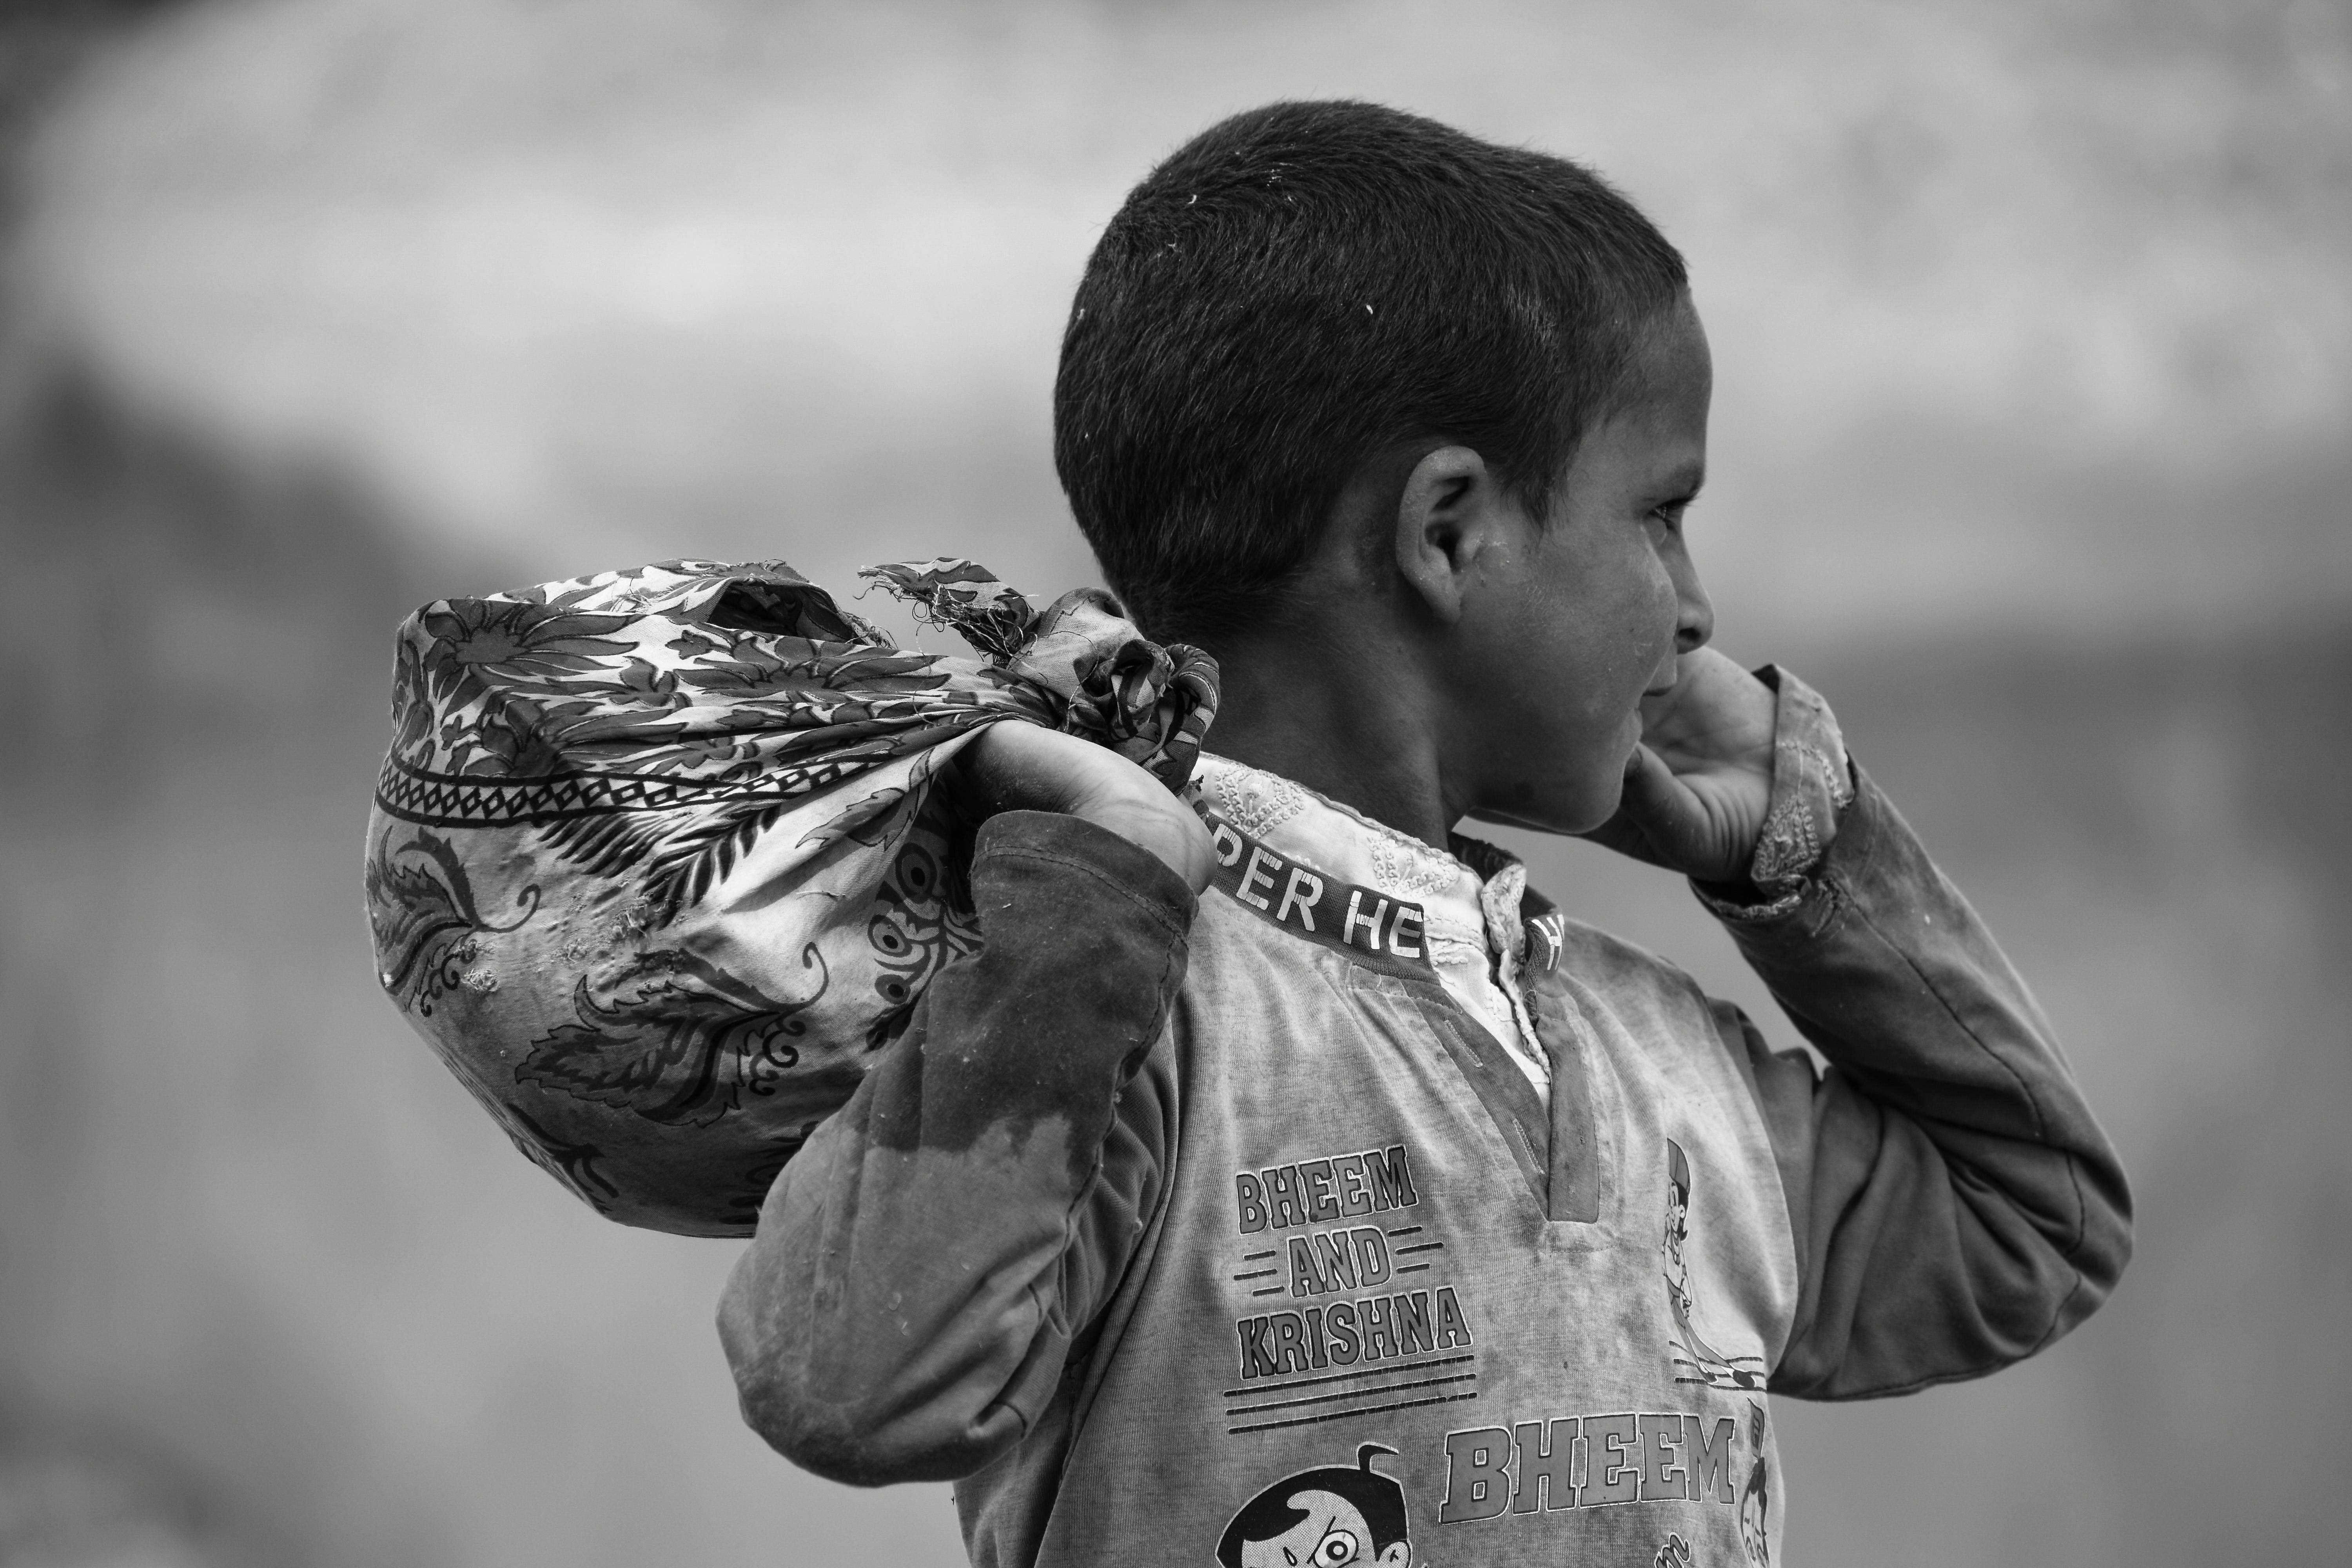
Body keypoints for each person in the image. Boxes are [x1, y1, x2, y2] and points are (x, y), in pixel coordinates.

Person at [716, 100, 2132, 1567]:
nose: (1696, 608)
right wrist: (1097, 882)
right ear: (1449, 533)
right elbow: (848, 1385)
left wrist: (1802, 845)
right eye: (1661, 514)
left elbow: (2034, 1222)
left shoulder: (1659, 1065)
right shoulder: (1127, 1027)